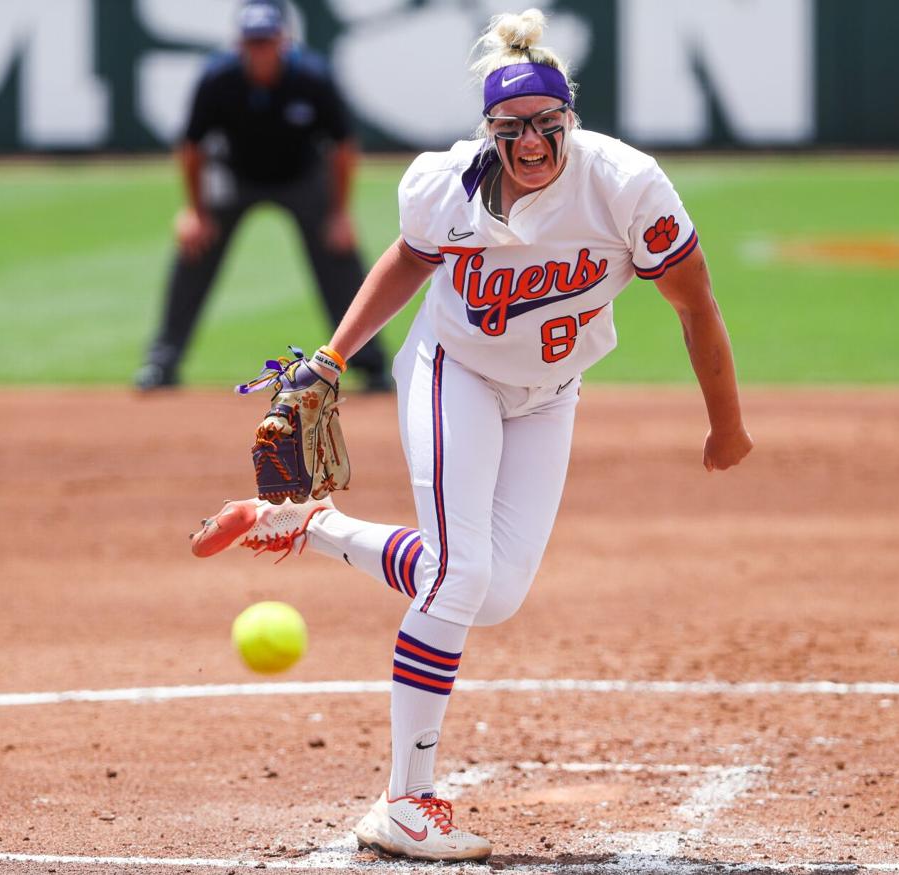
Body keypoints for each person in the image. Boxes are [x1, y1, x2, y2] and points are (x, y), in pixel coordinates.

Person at [190, 8, 753, 863]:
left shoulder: (627, 187)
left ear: (570, 119)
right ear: (489, 131)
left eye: (546, 122)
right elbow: (411, 258)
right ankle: (404, 801)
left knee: (493, 593)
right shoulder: (447, 184)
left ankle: (309, 526)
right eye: (510, 127)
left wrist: (726, 423)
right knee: (460, 574)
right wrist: (336, 356)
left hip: (551, 394)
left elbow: (696, 303)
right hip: (453, 372)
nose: (530, 141)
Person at [134, 0, 390, 391]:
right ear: (239, 44)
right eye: (252, 42)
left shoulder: (312, 77)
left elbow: (342, 147)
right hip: (235, 174)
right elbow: (192, 147)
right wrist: (195, 212)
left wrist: (340, 213)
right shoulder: (218, 78)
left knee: (338, 250)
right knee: (194, 247)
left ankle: (371, 365)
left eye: (266, 41)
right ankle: (161, 362)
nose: (260, 51)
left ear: (283, 41)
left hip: (302, 175)